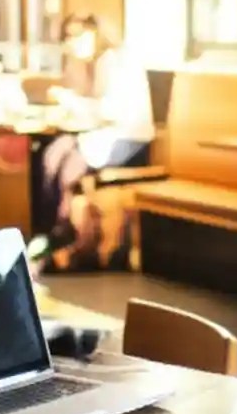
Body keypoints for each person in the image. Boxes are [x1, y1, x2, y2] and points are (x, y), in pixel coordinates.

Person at [37, 14, 153, 268]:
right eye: (67, 38)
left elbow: (111, 112)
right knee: (53, 153)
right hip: (106, 135)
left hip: (129, 139)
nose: (70, 44)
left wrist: (69, 101)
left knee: (70, 166)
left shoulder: (114, 61)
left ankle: (66, 233)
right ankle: (52, 230)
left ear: (94, 33)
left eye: (76, 36)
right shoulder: (98, 61)